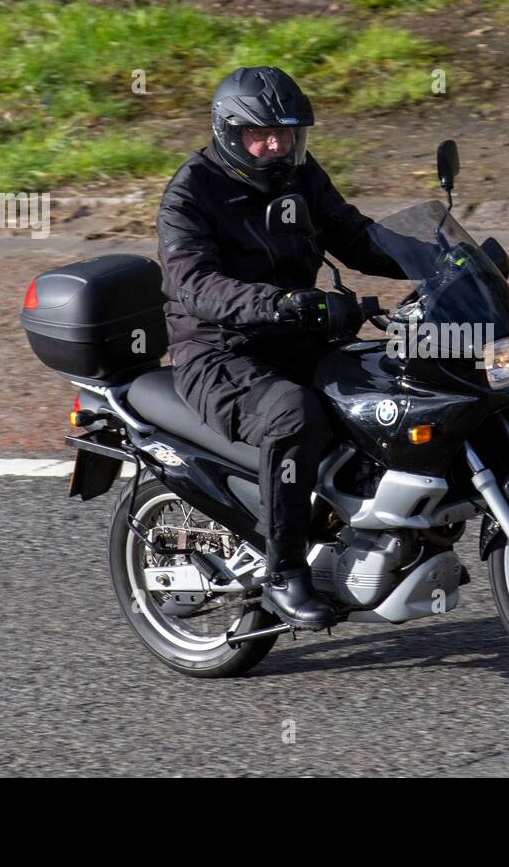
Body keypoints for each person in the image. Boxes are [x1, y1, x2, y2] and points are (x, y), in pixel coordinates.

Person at [156, 66, 406, 630]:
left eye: (287, 134)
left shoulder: (297, 173)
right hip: (219, 354)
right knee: (294, 416)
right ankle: (283, 571)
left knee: (390, 381)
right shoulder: (189, 197)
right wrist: (282, 303)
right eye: (261, 135)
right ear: (230, 134)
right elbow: (198, 287)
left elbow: (353, 233)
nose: (275, 146)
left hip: (298, 334)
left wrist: (436, 259)